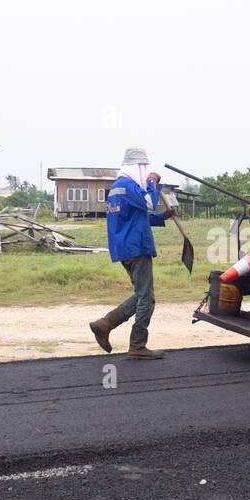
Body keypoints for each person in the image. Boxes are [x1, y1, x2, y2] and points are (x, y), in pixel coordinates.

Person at [90, 147, 177, 359]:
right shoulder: (129, 186)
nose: (145, 171)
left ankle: (105, 324)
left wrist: (161, 217)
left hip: (125, 249)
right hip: (137, 248)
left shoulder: (116, 188)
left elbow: (135, 217)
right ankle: (136, 346)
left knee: (141, 294)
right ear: (137, 168)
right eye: (144, 168)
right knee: (146, 298)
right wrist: (153, 181)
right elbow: (149, 202)